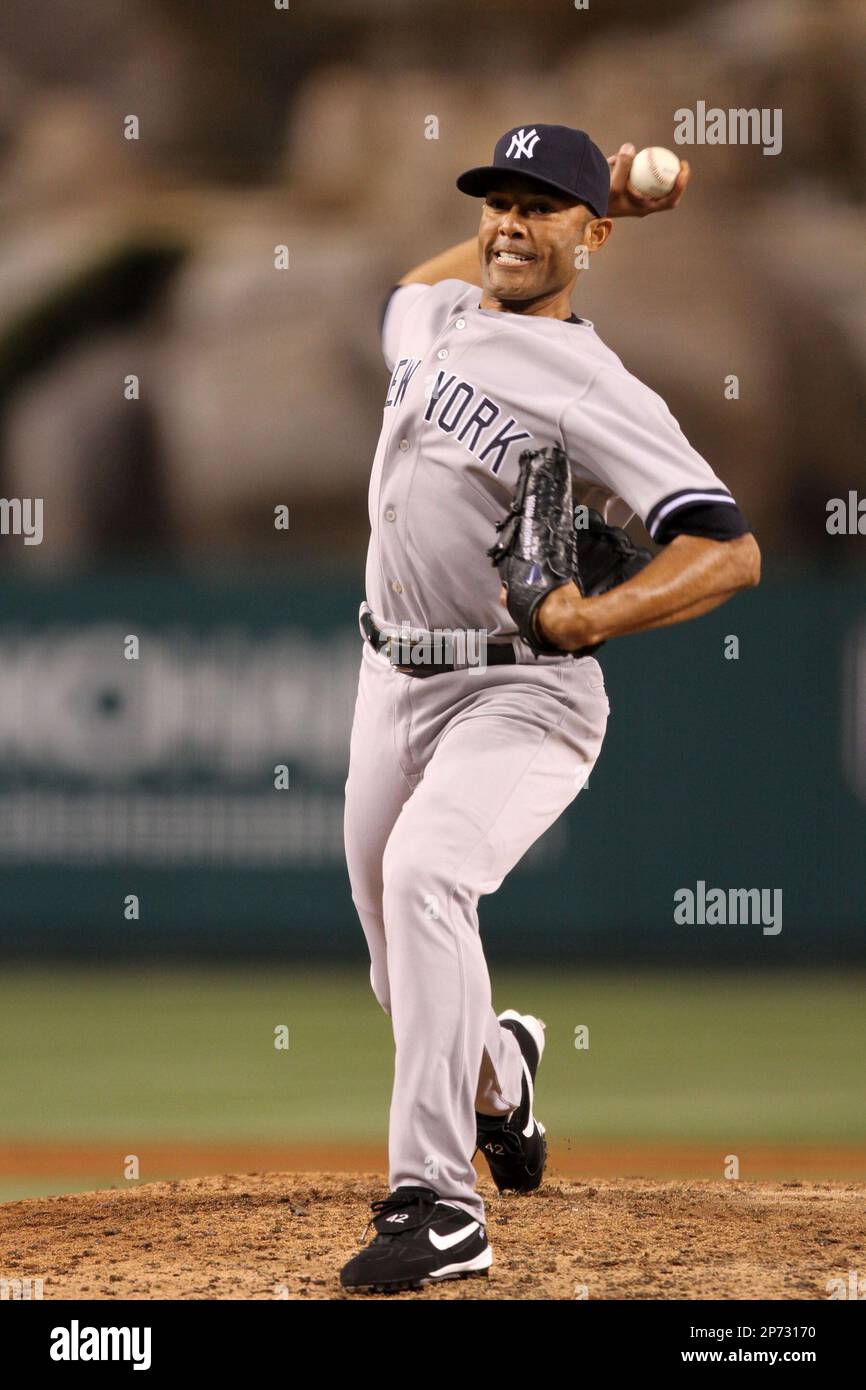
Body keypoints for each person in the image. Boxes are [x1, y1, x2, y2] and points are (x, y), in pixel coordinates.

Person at [340, 125, 760, 1293]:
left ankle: (437, 1203)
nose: (511, 225)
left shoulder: (592, 381)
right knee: (399, 968)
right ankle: (501, 1073)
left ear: (594, 238)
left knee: (430, 877)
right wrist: (599, 183)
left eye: (544, 207)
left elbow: (725, 552)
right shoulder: (438, 321)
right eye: (497, 203)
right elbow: (403, 290)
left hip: (518, 688)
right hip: (389, 680)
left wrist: (590, 620)